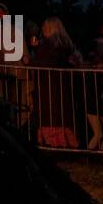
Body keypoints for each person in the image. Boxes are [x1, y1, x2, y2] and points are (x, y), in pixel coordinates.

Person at [31, 17, 81, 149]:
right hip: (61, 88)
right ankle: (65, 145)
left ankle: (54, 145)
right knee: (61, 117)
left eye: (45, 26)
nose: (42, 29)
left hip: (49, 89)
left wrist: (33, 56)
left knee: (51, 118)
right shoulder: (65, 44)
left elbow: (43, 63)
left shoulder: (49, 45)